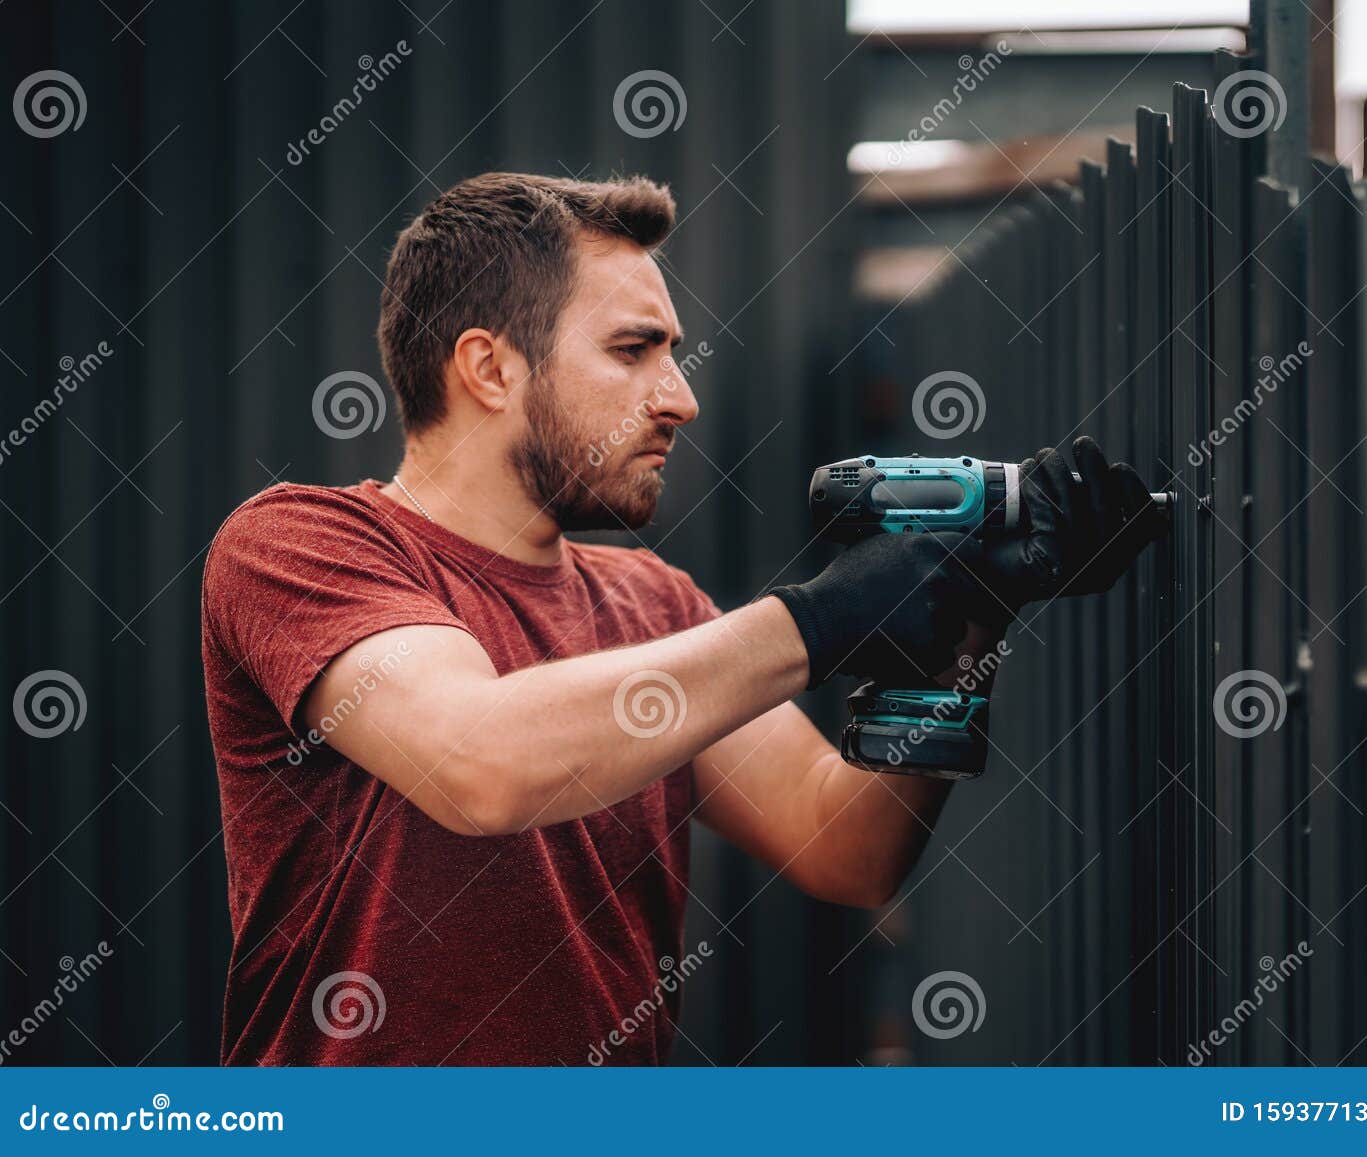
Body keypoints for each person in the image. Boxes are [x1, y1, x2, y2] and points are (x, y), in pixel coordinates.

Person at [200, 172, 1164, 1065]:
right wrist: (823, 617)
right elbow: (479, 763)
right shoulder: (301, 545)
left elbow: (847, 845)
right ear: (489, 369)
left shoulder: (652, 604)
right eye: (634, 351)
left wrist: (968, 623)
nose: (681, 398)